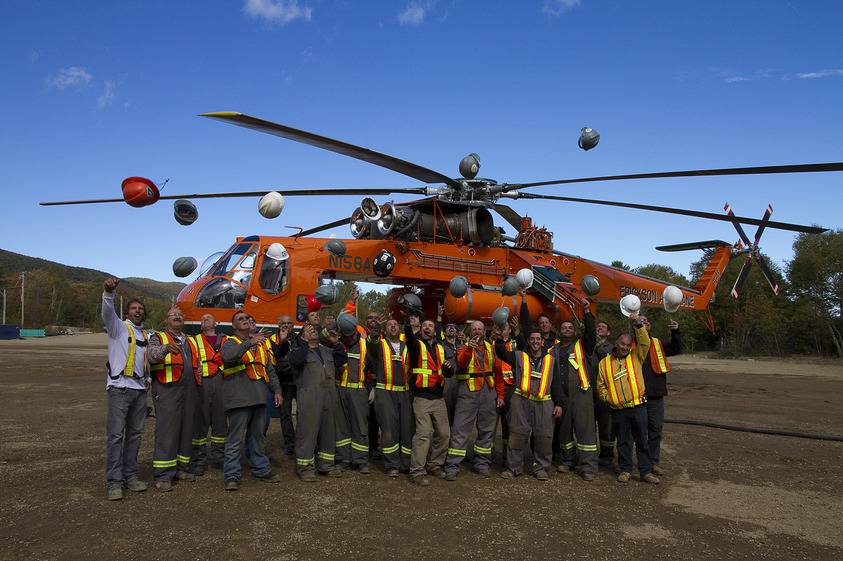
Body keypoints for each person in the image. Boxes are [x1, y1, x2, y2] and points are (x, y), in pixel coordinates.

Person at [220, 310, 282, 490]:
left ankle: (261, 469)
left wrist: (277, 390)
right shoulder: (230, 342)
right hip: (239, 399)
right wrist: (249, 342)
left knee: (257, 438)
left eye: (247, 318)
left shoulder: (260, 345)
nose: (245, 320)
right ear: (234, 326)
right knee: (235, 439)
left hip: (259, 397)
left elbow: (269, 370)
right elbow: (227, 357)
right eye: (241, 319)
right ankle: (231, 475)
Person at [597, 312, 660, 484]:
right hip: (618, 410)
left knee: (642, 441)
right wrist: (609, 398)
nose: (624, 347)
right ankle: (625, 470)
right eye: (622, 344)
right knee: (623, 441)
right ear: (616, 343)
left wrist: (637, 323)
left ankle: (645, 472)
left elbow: (645, 341)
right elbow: (601, 385)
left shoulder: (636, 355)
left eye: (627, 345)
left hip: (638, 407)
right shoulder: (604, 363)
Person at [102, 277, 150, 501]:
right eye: (133, 308)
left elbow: (145, 361)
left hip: (139, 391)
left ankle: (130, 476)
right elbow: (107, 313)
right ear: (127, 312)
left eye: (140, 308)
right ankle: (114, 482)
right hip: (120, 388)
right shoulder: (118, 328)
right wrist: (108, 294)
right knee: (115, 436)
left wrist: (148, 380)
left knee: (135, 436)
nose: (137, 311)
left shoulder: (146, 336)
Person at [495, 327, 564, 480]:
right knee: (517, 435)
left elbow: (556, 384)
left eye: (538, 339)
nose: (535, 341)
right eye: (532, 339)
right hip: (521, 402)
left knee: (544, 437)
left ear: (542, 342)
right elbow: (501, 353)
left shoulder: (551, 360)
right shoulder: (519, 356)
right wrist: (500, 339)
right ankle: (513, 468)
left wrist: (559, 403)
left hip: (544, 404)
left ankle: (541, 468)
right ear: (528, 341)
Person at [147, 307, 202, 491]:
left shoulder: (191, 341)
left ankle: (182, 468)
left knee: (187, 429)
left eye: (180, 314)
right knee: (167, 431)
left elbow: (198, 364)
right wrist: (165, 349)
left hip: (190, 389)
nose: (177, 316)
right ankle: (163, 475)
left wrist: (199, 384)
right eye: (173, 314)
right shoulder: (158, 337)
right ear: (166, 320)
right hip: (167, 389)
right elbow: (151, 356)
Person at [284, 322, 347, 481]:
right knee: (307, 432)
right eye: (309, 330)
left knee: (328, 431)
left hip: (329, 396)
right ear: (302, 336)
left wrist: (336, 343)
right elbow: (297, 361)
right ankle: (305, 468)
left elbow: (341, 359)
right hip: (309, 397)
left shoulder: (327, 351)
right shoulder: (298, 352)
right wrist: (304, 343)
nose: (313, 331)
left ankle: (326, 465)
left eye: (314, 329)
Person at [444, 320, 502, 480]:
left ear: (484, 332)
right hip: (468, 391)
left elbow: (498, 372)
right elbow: (461, 364)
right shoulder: (462, 347)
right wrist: (469, 348)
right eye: (474, 329)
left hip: (488, 392)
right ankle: (452, 466)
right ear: (471, 332)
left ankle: (482, 463)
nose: (477, 331)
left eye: (479, 329)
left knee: (487, 430)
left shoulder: (491, 348)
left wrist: (500, 395)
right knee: (460, 429)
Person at [551, 298, 598, 481]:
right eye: (564, 328)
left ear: (575, 331)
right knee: (564, 431)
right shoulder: (553, 350)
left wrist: (586, 312)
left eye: (570, 327)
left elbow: (591, 333)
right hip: (561, 396)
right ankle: (568, 460)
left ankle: (588, 466)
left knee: (585, 430)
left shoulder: (583, 345)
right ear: (559, 331)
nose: (567, 329)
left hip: (581, 394)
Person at [405, 314, 453, 486]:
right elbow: (410, 340)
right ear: (420, 329)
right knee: (424, 434)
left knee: (444, 434)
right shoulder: (416, 345)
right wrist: (409, 325)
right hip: (421, 398)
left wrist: (448, 368)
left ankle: (435, 465)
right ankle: (417, 471)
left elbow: (447, 374)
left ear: (435, 331)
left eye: (430, 326)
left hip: (439, 398)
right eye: (424, 325)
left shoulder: (441, 347)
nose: (427, 328)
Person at [366, 319, 413, 477]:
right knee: (389, 428)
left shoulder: (407, 346)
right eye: (389, 324)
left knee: (406, 429)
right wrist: (375, 329)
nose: (393, 326)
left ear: (400, 328)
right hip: (385, 392)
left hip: (405, 393)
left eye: (395, 324)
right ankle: (392, 464)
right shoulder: (379, 345)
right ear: (385, 330)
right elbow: (370, 345)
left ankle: (405, 463)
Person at [638, 315, 682, 476]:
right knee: (639, 432)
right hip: (636, 395)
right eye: (641, 321)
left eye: (646, 321)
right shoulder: (630, 343)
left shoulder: (657, 343)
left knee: (655, 430)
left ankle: (653, 462)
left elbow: (676, 349)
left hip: (656, 394)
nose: (645, 323)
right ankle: (641, 464)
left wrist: (676, 332)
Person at [190, 314, 227, 475]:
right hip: (202, 383)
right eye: (202, 318)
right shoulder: (193, 340)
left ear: (216, 323)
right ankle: (199, 460)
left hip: (221, 381)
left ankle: (219, 458)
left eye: (208, 317)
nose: (204, 319)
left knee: (220, 422)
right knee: (200, 423)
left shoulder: (226, 340)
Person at [334, 313, 370, 473]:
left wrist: (371, 388)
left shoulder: (365, 345)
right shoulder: (336, 344)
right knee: (341, 426)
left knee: (360, 426)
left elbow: (372, 368)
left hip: (359, 390)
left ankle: (360, 460)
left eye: (352, 335)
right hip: (339, 389)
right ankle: (343, 459)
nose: (350, 339)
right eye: (347, 336)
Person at [267, 315, 297, 456]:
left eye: (289, 323)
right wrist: (283, 342)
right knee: (285, 414)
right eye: (283, 323)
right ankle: (290, 444)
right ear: (278, 324)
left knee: (303, 413)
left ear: (293, 325)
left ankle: (303, 441)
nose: (286, 325)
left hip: (298, 380)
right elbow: (274, 357)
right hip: (283, 381)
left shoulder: (299, 338)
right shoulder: (272, 339)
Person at [593, 320, 615, 468]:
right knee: (589, 426)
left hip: (604, 391)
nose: (599, 328)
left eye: (603, 327)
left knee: (606, 426)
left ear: (608, 333)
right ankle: (590, 454)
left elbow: (604, 358)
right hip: (589, 391)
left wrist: (596, 342)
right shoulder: (589, 344)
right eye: (598, 326)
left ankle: (607, 455)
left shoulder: (610, 348)